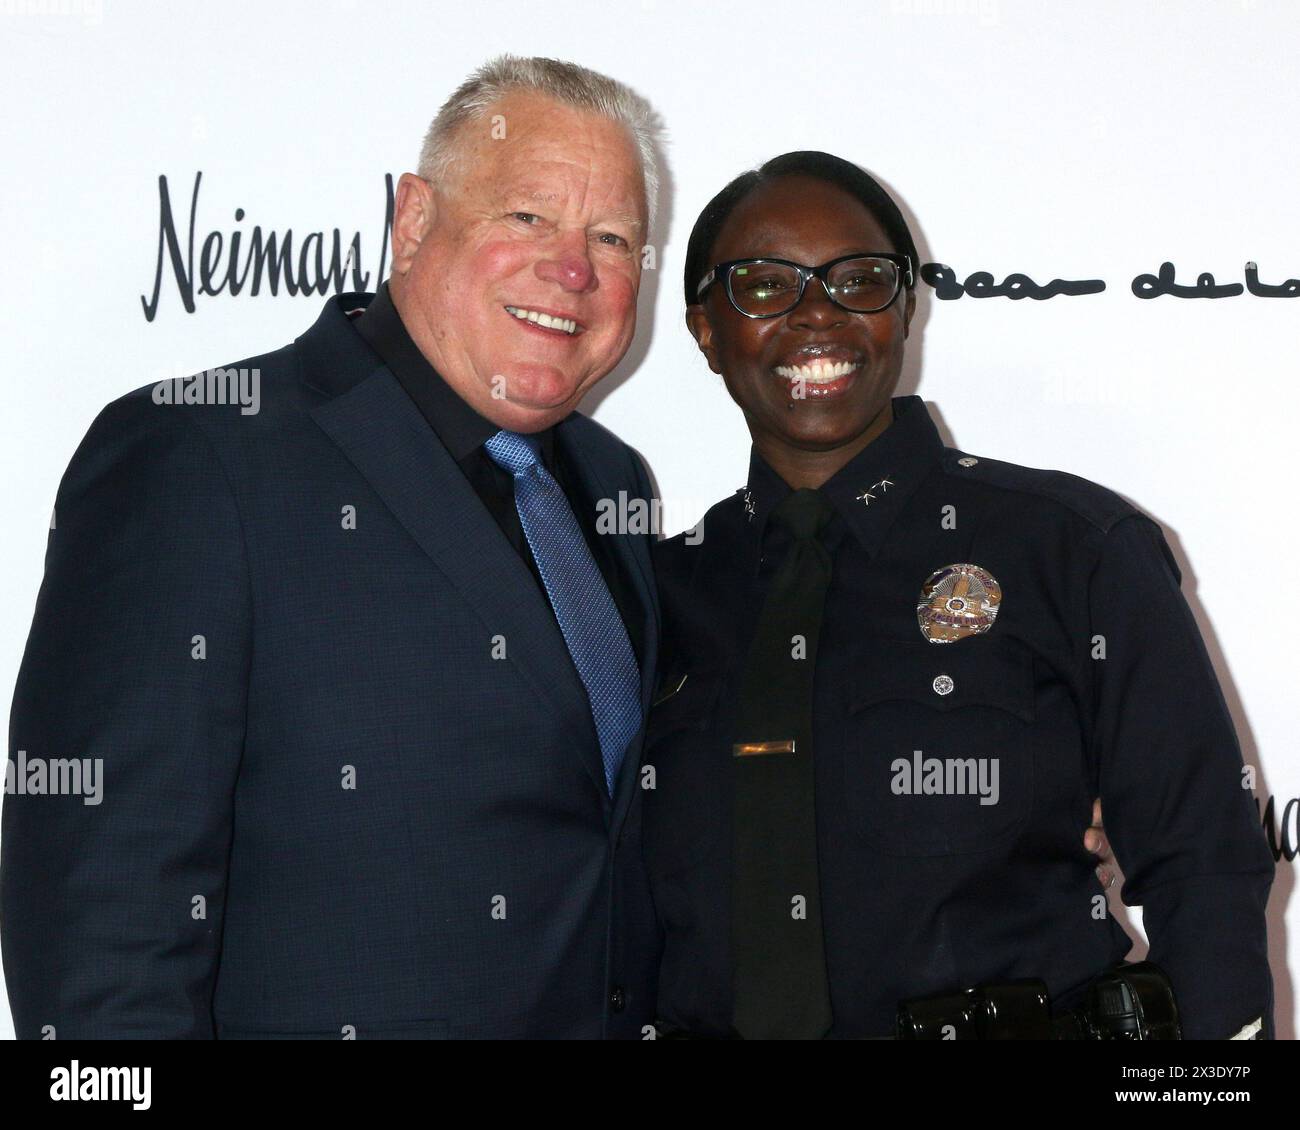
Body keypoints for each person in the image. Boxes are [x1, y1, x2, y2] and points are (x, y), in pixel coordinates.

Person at [1, 56, 664, 1039]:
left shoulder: (612, 485)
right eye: (526, 217)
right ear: (412, 222)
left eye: (610, 238)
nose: (571, 267)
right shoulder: (199, 455)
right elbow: (105, 915)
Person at [642, 151, 1274, 1040]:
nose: (817, 312)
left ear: (906, 308)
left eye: (859, 280)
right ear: (706, 329)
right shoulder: (654, 595)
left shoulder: (1074, 549)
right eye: (763, 285)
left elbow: (1202, 867)